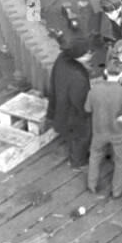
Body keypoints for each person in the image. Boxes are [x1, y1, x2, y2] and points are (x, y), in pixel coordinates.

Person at [84, 61, 122, 197]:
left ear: (105, 73)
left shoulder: (94, 90)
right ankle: (117, 191)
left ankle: (91, 185)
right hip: (119, 132)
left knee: (95, 156)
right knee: (120, 161)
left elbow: (87, 108)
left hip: (99, 131)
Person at [46, 39, 94, 169]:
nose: (91, 55)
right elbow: (81, 104)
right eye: (87, 54)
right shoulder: (78, 78)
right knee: (81, 135)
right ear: (78, 57)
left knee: (72, 133)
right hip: (73, 114)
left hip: (60, 104)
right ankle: (78, 162)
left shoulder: (62, 58)